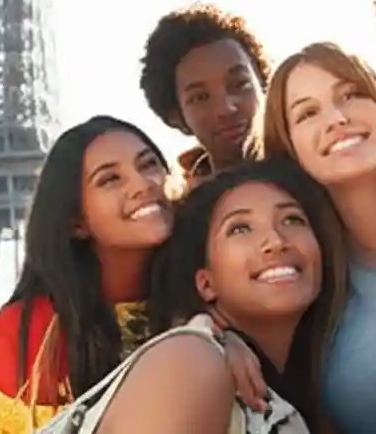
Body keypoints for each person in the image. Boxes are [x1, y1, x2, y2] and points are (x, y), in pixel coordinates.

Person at [0, 115, 263, 432]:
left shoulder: (213, 292)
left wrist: (219, 343)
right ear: (76, 222)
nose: (143, 184)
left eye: (149, 165)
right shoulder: (21, 339)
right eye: (110, 179)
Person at [259, 41, 376, 434]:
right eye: (308, 113)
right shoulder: (302, 292)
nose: (336, 119)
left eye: (351, 94)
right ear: (289, 149)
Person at [71, 159, 347, 433]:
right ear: (206, 283)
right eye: (240, 228)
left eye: (292, 219)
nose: (276, 240)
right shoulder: (194, 362)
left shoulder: (306, 388)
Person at [139, 4, 271, 186]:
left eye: (240, 84)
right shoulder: (186, 211)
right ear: (176, 118)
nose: (227, 108)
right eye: (200, 97)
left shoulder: (315, 176)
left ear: (264, 84)